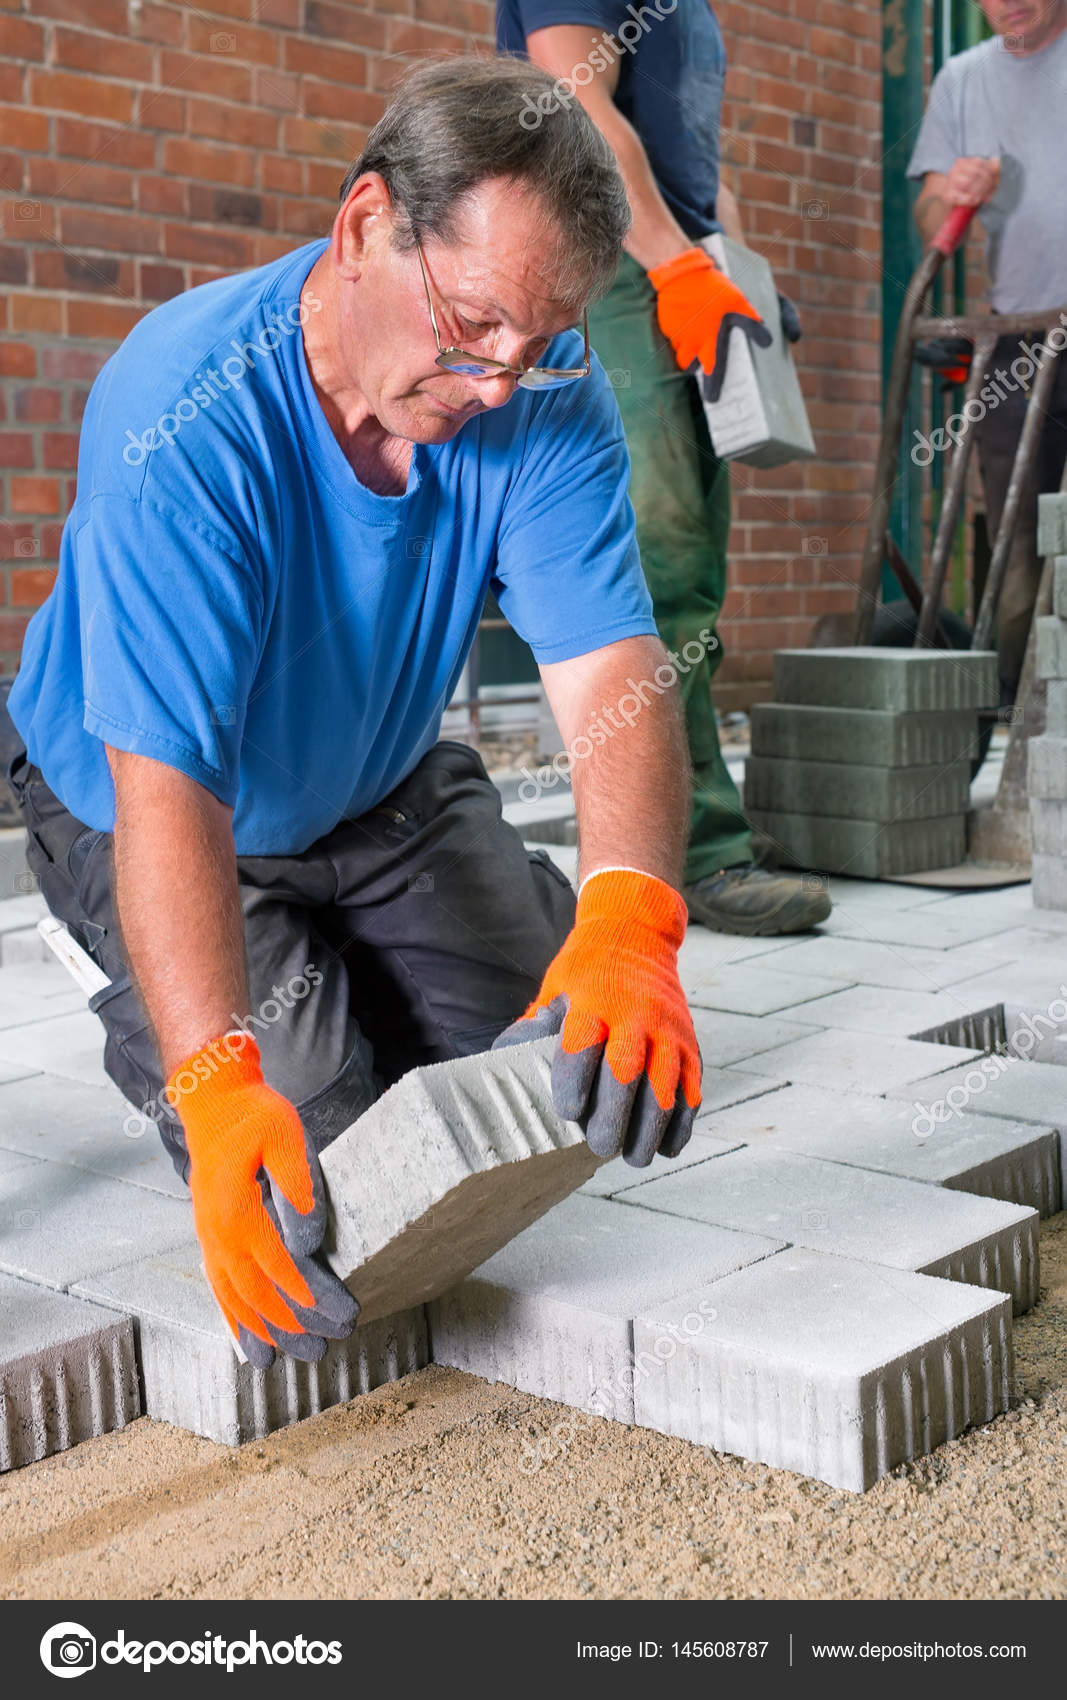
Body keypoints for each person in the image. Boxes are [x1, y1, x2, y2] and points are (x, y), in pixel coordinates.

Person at [5, 58, 702, 1369]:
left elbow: (612, 671)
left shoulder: (540, 392)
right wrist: (217, 1085)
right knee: (327, 1170)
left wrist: (631, 917)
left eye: (540, 341)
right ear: (364, 226)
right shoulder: (189, 418)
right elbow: (171, 794)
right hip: (147, 804)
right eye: (471, 322)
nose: (499, 382)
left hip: (373, 779)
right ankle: (132, 977)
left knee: (548, 1069)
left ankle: (420, 936)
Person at [497, 0, 832, 935]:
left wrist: (733, 266)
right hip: (606, 263)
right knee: (655, 561)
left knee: (695, 560)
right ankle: (680, 858)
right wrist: (677, 266)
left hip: (662, 266)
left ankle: (695, 820)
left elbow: (692, 164)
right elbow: (575, 102)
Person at [909, 0, 1067, 703]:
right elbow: (930, 212)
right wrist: (955, 199)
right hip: (1018, 336)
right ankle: (1018, 714)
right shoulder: (962, 78)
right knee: (1014, 536)